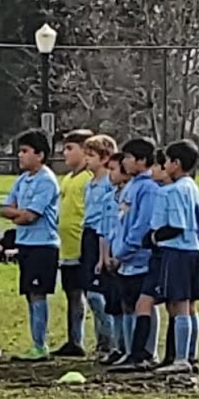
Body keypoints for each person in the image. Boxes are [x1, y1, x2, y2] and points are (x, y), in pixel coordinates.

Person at [147, 140, 199, 375]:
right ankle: (191, 355)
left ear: (176, 163)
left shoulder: (170, 191)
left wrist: (153, 237)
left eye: (167, 161)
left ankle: (181, 358)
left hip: (177, 252)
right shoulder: (192, 186)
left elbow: (175, 226)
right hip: (195, 250)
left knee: (179, 305)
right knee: (191, 306)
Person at [1, 129, 61, 361]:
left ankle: (40, 345)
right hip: (25, 243)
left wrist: (17, 215)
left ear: (41, 155)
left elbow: (30, 216)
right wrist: (18, 214)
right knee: (29, 294)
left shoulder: (46, 180)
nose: (20, 156)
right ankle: (36, 342)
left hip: (43, 245)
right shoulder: (22, 180)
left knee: (38, 294)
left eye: (25, 151)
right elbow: (7, 209)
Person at [108, 137, 161, 371]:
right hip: (123, 258)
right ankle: (130, 350)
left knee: (145, 305)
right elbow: (120, 221)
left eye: (128, 158)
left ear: (141, 160)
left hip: (138, 258)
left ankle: (148, 352)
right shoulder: (131, 186)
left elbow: (141, 225)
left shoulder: (149, 188)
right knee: (128, 304)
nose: (125, 162)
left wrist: (125, 251)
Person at [53, 129, 94, 358]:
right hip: (67, 248)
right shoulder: (68, 179)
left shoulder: (89, 179)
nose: (64, 153)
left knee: (94, 296)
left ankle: (106, 341)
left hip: (83, 247)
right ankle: (74, 340)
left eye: (70, 148)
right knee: (72, 294)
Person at [81, 134, 118, 357]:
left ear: (105, 158)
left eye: (91, 155)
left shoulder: (108, 184)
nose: (87, 159)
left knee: (99, 293)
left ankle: (112, 340)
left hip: (102, 237)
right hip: (88, 235)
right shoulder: (89, 184)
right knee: (90, 292)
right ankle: (101, 341)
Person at [98, 151, 130, 365]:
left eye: (113, 169)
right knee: (113, 305)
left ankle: (130, 346)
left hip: (126, 258)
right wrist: (103, 258)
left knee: (128, 304)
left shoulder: (132, 195)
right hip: (111, 258)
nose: (109, 174)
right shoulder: (108, 198)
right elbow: (104, 231)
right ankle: (118, 347)